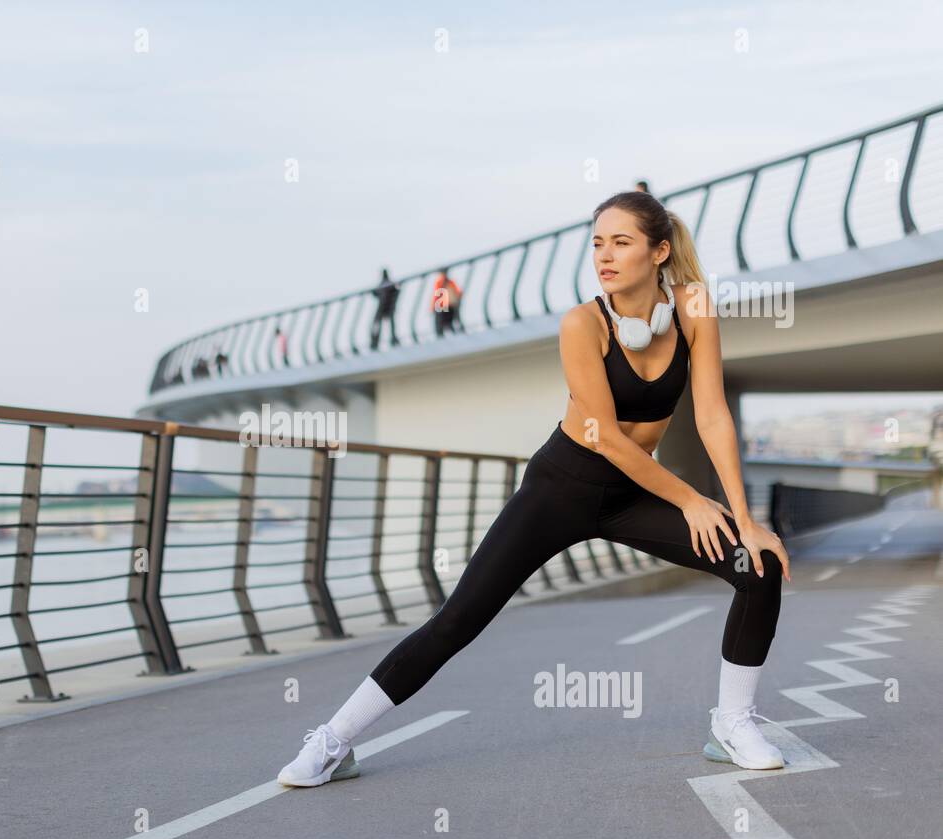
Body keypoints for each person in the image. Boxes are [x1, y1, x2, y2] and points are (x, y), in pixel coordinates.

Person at [278, 189, 793, 787]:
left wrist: (744, 518)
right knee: (456, 621)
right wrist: (689, 498)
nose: (604, 255)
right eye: (597, 243)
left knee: (757, 566)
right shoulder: (583, 323)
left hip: (633, 496)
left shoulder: (694, 308)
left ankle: (732, 724)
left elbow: (712, 416)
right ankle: (334, 741)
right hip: (562, 487)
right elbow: (604, 437)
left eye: (621, 242)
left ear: (659, 251)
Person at [369, 268, 401, 349]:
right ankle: (392, 338)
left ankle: (375, 342)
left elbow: (374, 293)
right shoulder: (389, 283)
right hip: (387, 307)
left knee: (378, 324)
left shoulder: (383, 284)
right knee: (387, 324)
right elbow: (397, 290)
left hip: (383, 307)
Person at [432, 266, 465, 337]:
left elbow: (437, 296)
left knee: (445, 323)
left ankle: (446, 336)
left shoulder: (444, 282)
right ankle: (455, 334)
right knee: (448, 323)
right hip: (448, 305)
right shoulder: (446, 282)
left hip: (446, 306)